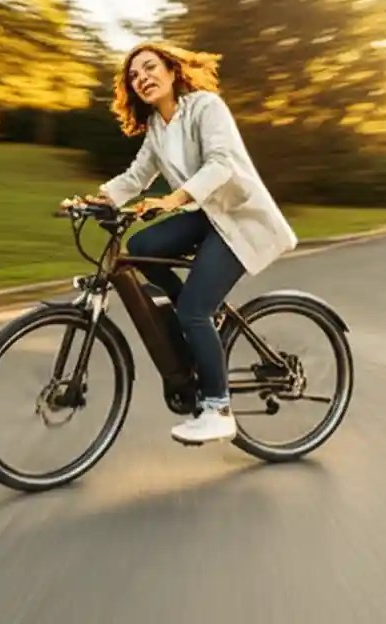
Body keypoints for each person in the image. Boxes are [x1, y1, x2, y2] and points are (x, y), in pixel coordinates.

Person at [90, 41, 299, 445]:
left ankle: (218, 407)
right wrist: (95, 200)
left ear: (171, 71)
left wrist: (175, 198)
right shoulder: (157, 126)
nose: (142, 78)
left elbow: (221, 163)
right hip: (207, 217)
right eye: (134, 76)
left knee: (192, 311)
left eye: (149, 68)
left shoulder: (206, 107)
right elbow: (136, 177)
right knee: (141, 250)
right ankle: (200, 316)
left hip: (240, 219)